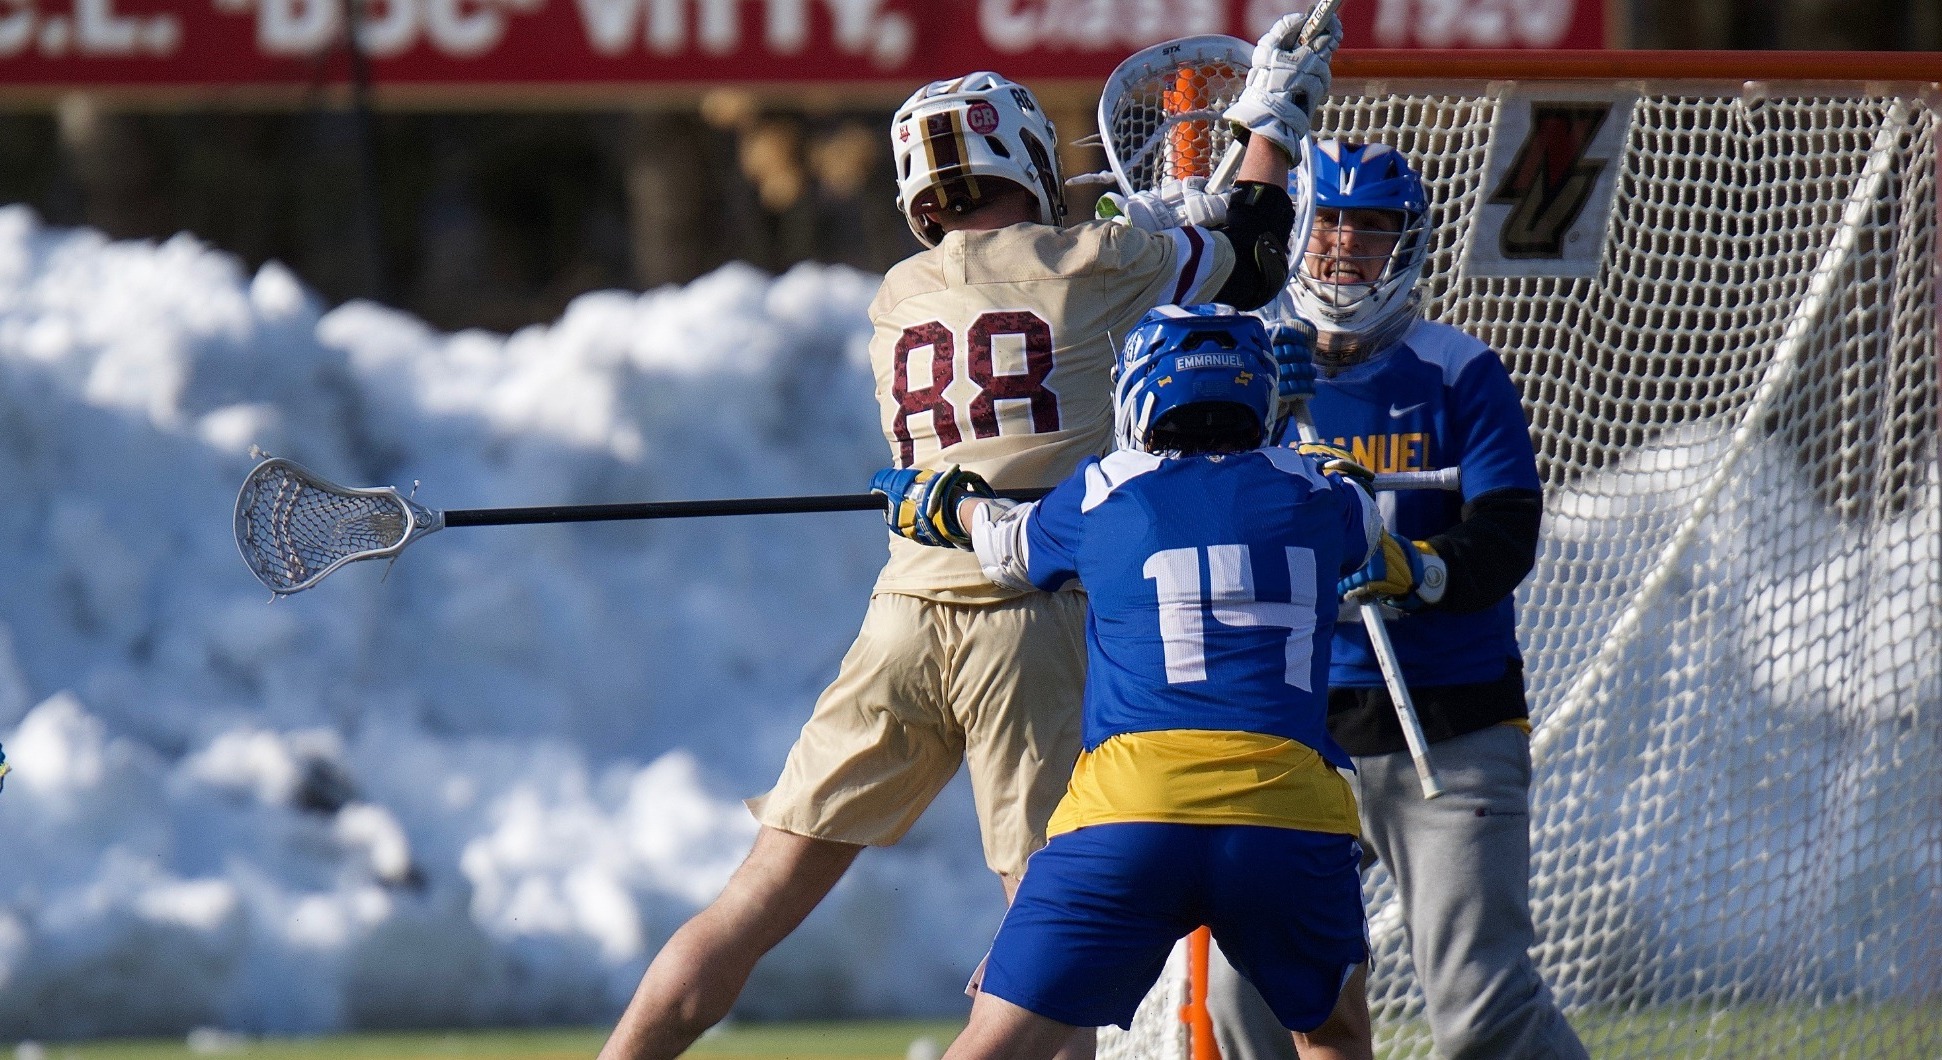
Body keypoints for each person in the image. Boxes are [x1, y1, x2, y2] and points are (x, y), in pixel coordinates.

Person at [595, 15, 1341, 1060]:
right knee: (1051, 953)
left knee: (755, 897)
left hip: (902, 612)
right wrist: (1270, 123)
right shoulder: (1099, 256)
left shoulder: (898, 297)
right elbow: (1256, 260)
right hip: (1027, 624)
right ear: (1025, 156)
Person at [871, 304, 1383, 1060]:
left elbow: (1007, 550)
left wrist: (946, 505)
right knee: (1333, 1035)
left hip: (1131, 812)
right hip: (1287, 811)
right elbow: (1356, 513)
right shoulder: (1317, 496)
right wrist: (1340, 465)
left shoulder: (1106, 488)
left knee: (995, 1043)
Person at [1205, 140, 1589, 1060]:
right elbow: (1191, 514)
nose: (1344, 248)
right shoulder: (1236, 365)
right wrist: (1254, 418)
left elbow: (1507, 532)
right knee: (1244, 1002)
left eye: (1369, 227)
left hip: (1448, 725)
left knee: (1477, 1009)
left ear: (1407, 244)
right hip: (1295, 731)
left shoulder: (1459, 370)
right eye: (1326, 223)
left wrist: (1417, 570)